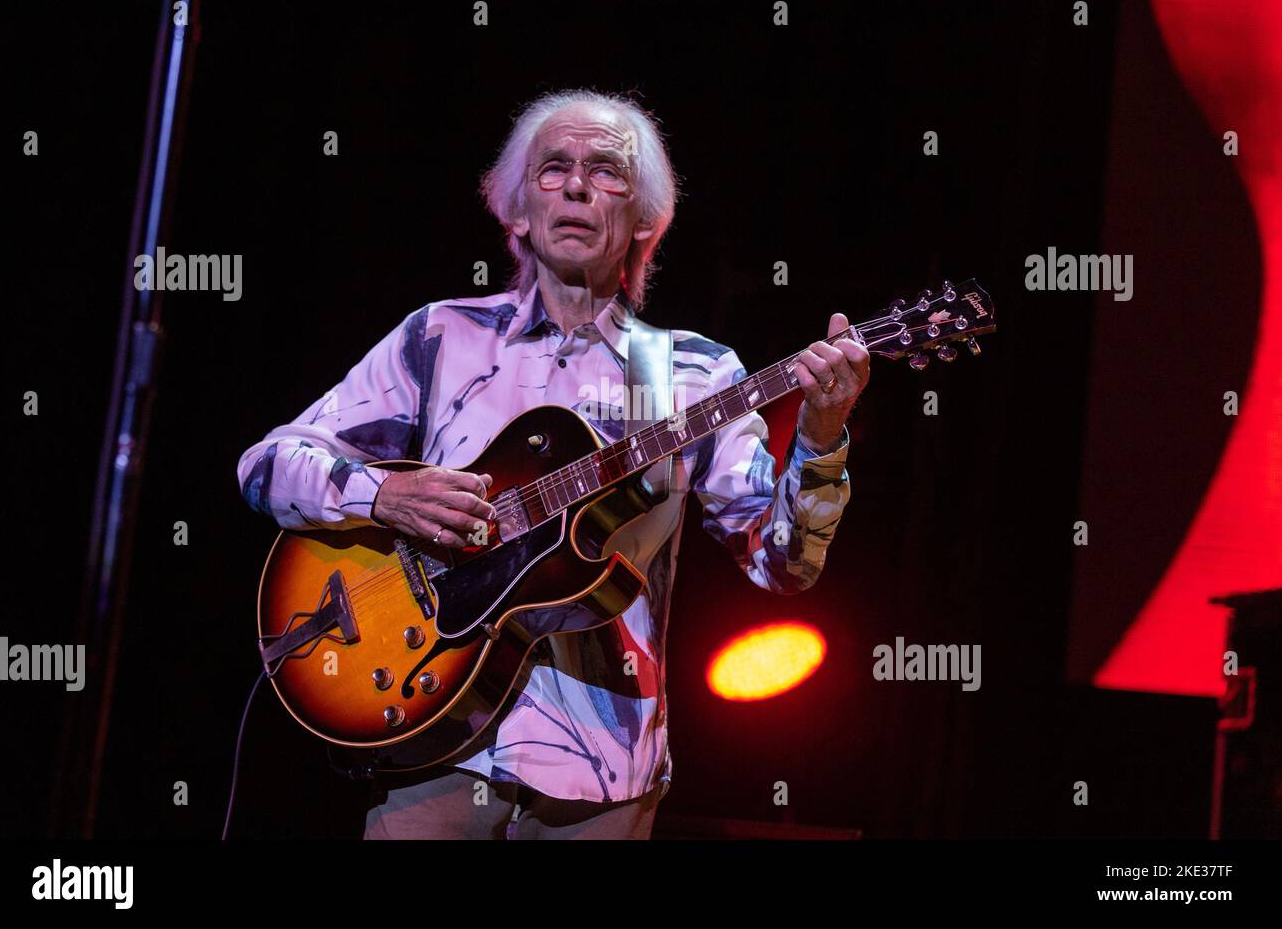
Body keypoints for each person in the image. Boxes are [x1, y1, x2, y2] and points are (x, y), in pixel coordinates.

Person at [236, 88, 870, 839]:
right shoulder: (442, 337)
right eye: (553, 169)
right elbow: (268, 463)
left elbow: (783, 565)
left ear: (643, 220)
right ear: (514, 212)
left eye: (605, 172)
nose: (575, 185)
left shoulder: (692, 374)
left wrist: (822, 434)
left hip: (601, 770)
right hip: (429, 733)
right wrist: (385, 494)